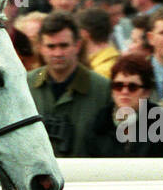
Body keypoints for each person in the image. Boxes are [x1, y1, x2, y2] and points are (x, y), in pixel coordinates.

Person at [27, 12, 112, 157]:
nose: (58, 53)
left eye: (64, 45)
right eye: (51, 46)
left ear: (77, 45)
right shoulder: (26, 84)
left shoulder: (102, 89)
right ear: (40, 47)